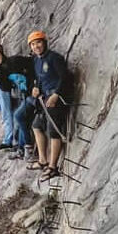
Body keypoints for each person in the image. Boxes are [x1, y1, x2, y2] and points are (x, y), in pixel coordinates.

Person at [26, 30, 70, 180]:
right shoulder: (36, 60)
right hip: (44, 98)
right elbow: (39, 78)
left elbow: (65, 77)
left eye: (38, 42)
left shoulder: (54, 58)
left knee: (53, 131)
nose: (36, 46)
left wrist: (56, 94)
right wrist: (35, 87)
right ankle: (43, 160)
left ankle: (53, 167)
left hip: (55, 99)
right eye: (33, 44)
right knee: (36, 126)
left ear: (44, 43)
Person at [0, 43, 35, 158]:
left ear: (0, 52)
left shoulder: (14, 60)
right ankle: (21, 148)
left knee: (19, 116)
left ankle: (24, 148)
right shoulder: (1, 70)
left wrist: (34, 84)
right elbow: (6, 88)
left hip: (31, 92)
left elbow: (32, 64)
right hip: (22, 95)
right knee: (18, 121)